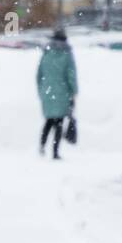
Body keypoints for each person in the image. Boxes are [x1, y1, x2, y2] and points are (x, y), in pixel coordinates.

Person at [36, 27, 78, 160]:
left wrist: (41, 90)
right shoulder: (67, 53)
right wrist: (74, 91)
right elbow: (71, 75)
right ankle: (55, 152)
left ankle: (42, 146)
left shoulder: (46, 53)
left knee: (49, 120)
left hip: (47, 92)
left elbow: (39, 74)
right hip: (62, 92)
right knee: (59, 122)